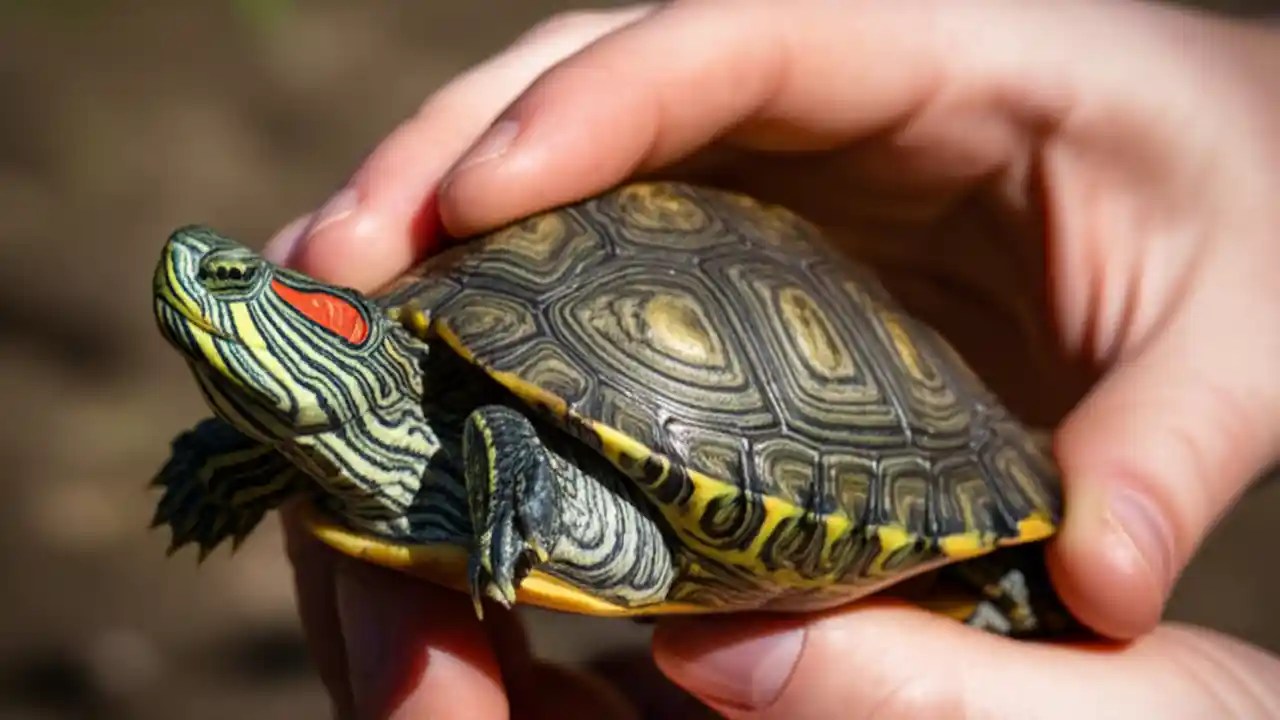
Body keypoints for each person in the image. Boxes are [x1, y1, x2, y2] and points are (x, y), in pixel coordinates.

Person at [262, 1, 1280, 717]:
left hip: (783, 440)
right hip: (565, 384)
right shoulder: (365, 417)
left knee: (1035, 594)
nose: (202, 279)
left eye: (243, 293)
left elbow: (499, 418)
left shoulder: (477, 420)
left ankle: (1009, 582)